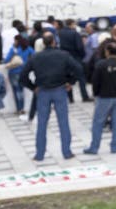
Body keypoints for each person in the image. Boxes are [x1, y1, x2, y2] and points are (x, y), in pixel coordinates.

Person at [19, 32, 84, 161]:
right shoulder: (63, 55)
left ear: (43, 43)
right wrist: (70, 82)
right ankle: (67, 152)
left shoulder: (35, 57)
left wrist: (33, 87)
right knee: (63, 122)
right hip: (60, 89)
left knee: (42, 124)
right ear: (54, 42)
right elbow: (79, 69)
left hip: (42, 91)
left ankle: (39, 154)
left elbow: (22, 76)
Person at [84, 42, 116, 155]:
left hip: (104, 98)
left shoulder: (101, 65)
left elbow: (95, 82)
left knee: (98, 123)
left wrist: (96, 94)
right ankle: (114, 147)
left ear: (107, 52)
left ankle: (94, 147)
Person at [58, 19, 90, 103]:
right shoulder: (75, 33)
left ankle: (70, 98)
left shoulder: (60, 33)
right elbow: (80, 47)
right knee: (81, 77)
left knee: (67, 77)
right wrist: (82, 55)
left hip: (64, 58)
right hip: (76, 57)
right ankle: (84, 96)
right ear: (72, 24)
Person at [3, 35, 33, 114]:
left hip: (13, 72)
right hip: (23, 71)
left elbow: (6, 60)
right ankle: (22, 108)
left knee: (16, 91)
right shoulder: (28, 48)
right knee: (21, 90)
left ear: (17, 41)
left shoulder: (14, 49)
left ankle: (19, 109)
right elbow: (34, 56)